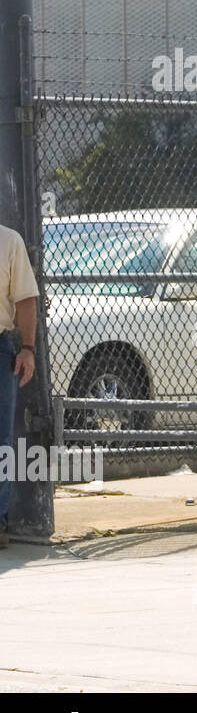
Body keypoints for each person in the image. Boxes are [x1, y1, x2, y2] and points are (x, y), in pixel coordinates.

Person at [0, 224, 38, 549]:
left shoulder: (8, 241)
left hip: (0, 347)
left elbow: (25, 299)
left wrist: (27, 348)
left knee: (1, 438)